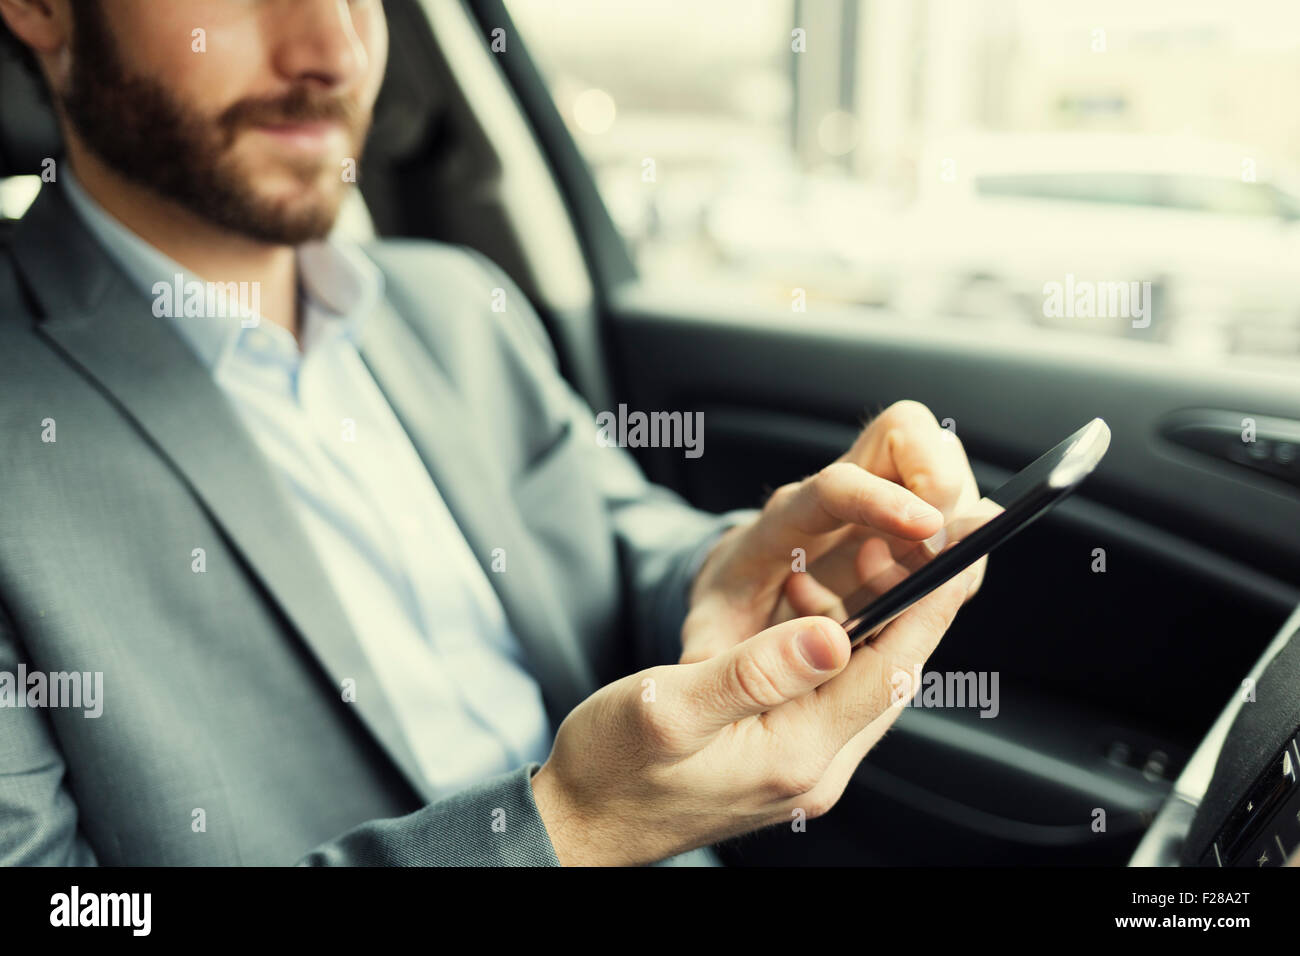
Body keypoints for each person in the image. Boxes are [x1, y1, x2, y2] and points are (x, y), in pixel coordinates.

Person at [0, 0, 985, 866]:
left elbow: (614, 548)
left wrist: (746, 568)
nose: (332, 47)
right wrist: (565, 828)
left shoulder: (456, 305)